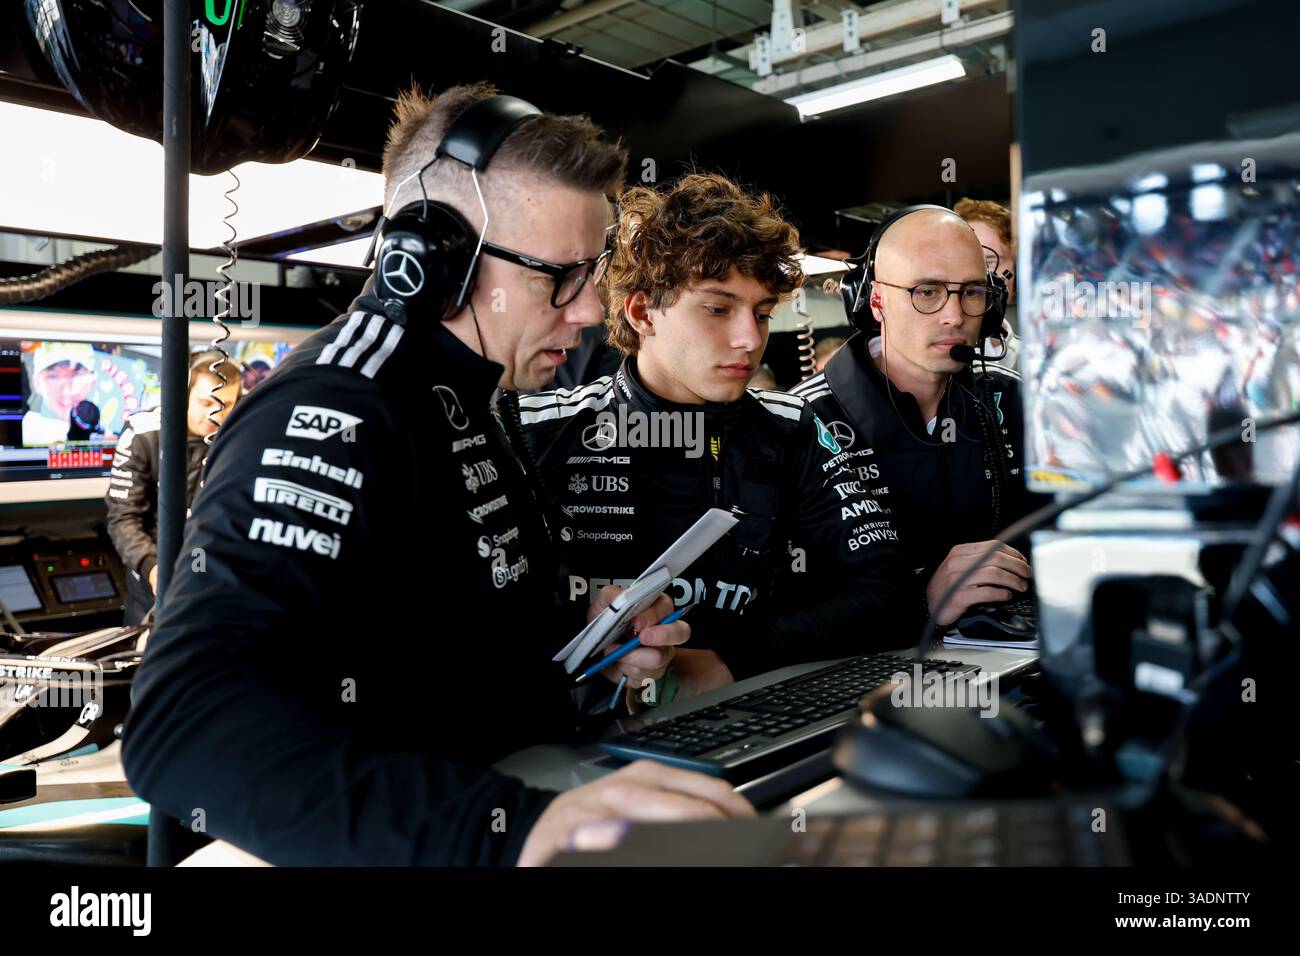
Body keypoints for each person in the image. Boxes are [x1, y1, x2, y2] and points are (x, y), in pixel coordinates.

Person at [121, 83, 752, 868]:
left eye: (594, 272)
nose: (591, 310)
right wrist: (519, 832)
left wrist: (587, 634)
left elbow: (441, 641)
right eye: (560, 275)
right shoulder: (337, 406)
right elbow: (185, 726)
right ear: (431, 260)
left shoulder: (473, 392)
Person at [517, 173, 912, 697]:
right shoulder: (537, 435)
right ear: (641, 312)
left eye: (762, 314)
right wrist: (575, 626)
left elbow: (890, 594)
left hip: (757, 719)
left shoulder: (799, 429)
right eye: (717, 308)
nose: (750, 339)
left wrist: (732, 659)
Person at [791, 206, 1037, 627]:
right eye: (927, 291)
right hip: (858, 676)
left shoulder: (1012, 398)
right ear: (875, 300)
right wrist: (924, 599)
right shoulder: (803, 423)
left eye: (972, 292)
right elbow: (791, 604)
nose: (954, 316)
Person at [105, 349, 242, 625]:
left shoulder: (242, 436)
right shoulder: (142, 433)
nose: (215, 414)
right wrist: (153, 569)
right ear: (184, 394)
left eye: (225, 405)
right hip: (153, 581)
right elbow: (123, 517)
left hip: (219, 583)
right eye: (206, 402)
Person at [954, 197, 1019, 369]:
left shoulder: (1034, 358)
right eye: (968, 261)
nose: (980, 277)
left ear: (1016, 270)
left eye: (990, 262)